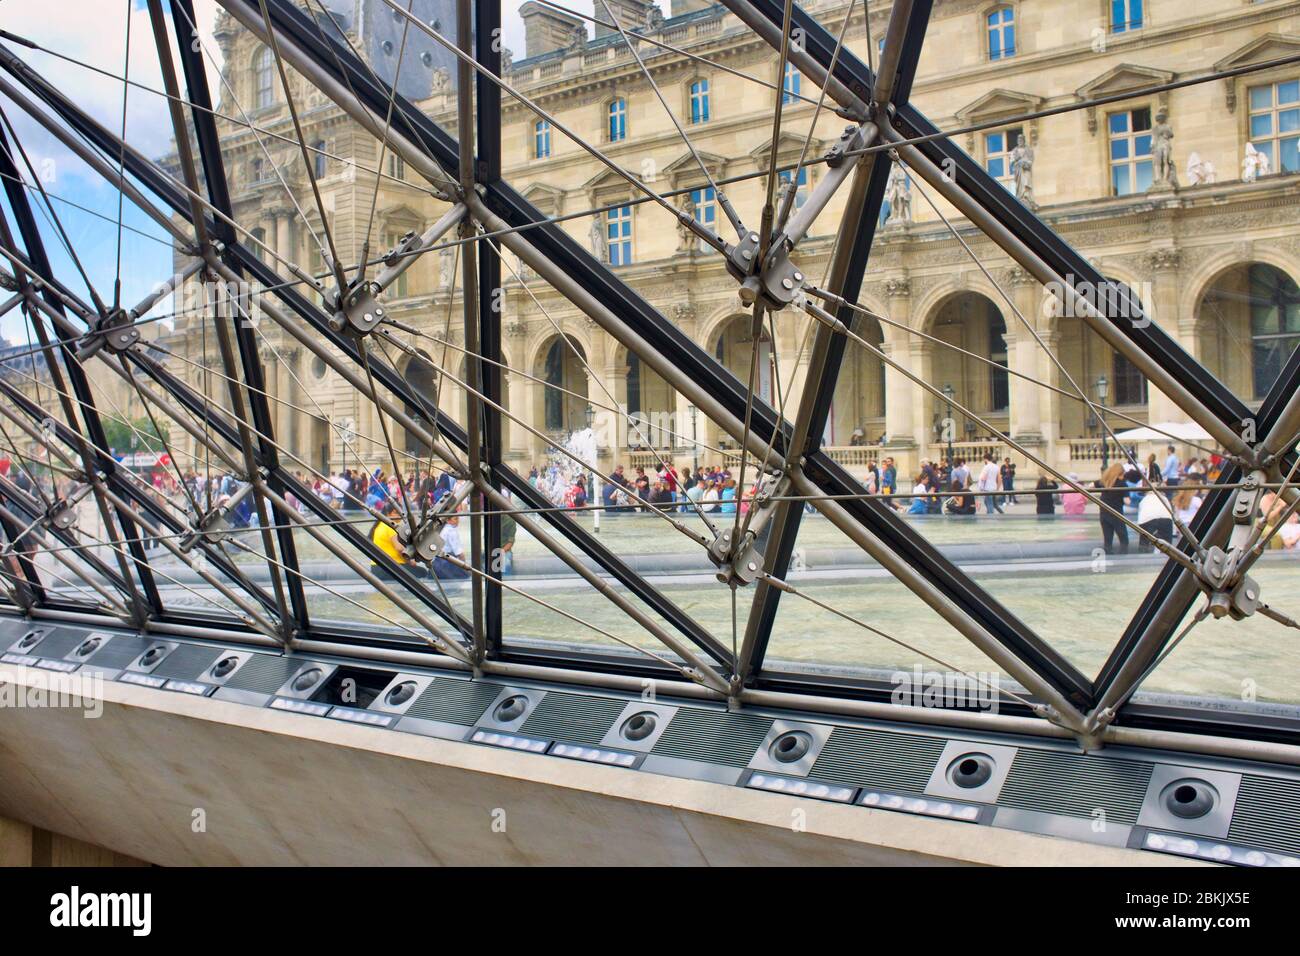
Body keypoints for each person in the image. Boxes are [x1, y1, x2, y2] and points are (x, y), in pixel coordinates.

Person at [369, 501, 427, 579]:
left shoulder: (379, 525)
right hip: (391, 567)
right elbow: (399, 548)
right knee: (423, 572)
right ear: (391, 513)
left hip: (376, 567)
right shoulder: (390, 526)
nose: (401, 515)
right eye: (397, 512)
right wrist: (410, 561)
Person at [1095, 462, 1130, 554]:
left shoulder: (1105, 481)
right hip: (1116, 513)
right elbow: (1127, 501)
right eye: (1122, 474)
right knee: (1123, 538)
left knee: (1107, 539)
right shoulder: (1123, 484)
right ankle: (1123, 557)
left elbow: (1091, 485)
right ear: (1120, 473)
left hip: (1104, 513)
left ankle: (1108, 557)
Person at [432, 514, 470, 580]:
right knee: (467, 576)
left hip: (438, 562)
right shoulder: (451, 531)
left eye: (458, 518)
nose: (458, 521)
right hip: (447, 563)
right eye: (455, 519)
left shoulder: (444, 529)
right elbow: (459, 553)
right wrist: (464, 566)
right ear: (448, 520)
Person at [1136, 487, 1174, 552]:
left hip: (1147, 519)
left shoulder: (1144, 499)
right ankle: (1168, 552)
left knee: (1144, 539)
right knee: (1167, 541)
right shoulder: (1164, 498)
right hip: (1165, 518)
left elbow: (1141, 513)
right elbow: (1170, 512)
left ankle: (1143, 550)